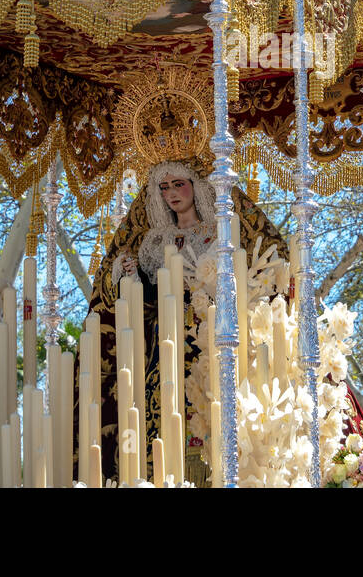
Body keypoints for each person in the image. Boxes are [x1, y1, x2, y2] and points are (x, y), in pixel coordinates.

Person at [82, 158, 287, 482]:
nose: (172, 194)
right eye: (164, 187)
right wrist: (130, 276)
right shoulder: (155, 241)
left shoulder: (219, 232)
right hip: (164, 340)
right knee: (162, 403)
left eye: (179, 184)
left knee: (215, 407)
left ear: (196, 186)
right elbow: (145, 298)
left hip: (212, 336)